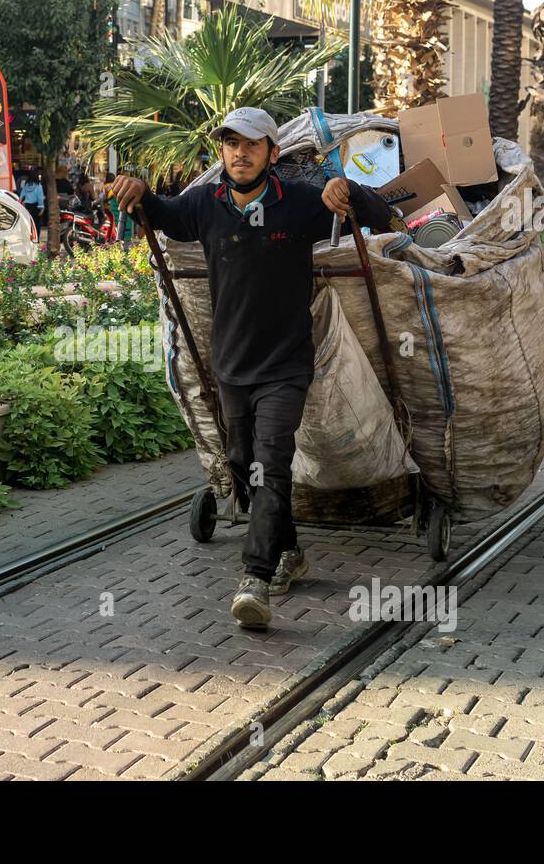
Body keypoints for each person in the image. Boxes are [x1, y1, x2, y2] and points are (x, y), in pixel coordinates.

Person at [112, 107, 398, 630]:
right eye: (229, 144)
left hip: (285, 365)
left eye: (250, 144)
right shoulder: (206, 203)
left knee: (272, 464)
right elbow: (165, 215)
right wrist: (140, 193)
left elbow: (382, 217)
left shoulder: (301, 204)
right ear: (221, 151)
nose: (239, 153)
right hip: (231, 366)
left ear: (272, 152)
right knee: (244, 464)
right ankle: (288, 549)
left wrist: (349, 193)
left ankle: (256, 576)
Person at [103, 172, 134, 247]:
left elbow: (104, 198)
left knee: (114, 231)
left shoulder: (107, 187)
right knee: (125, 236)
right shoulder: (129, 189)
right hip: (124, 215)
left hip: (113, 212)